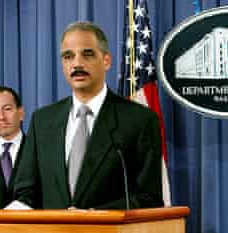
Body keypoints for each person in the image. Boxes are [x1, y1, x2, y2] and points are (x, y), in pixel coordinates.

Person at [12, 21, 163, 209]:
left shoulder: (139, 120)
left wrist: (93, 215)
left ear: (106, 60)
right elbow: (26, 193)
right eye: (68, 56)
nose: (77, 64)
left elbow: (149, 197)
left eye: (87, 54)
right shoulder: (42, 121)